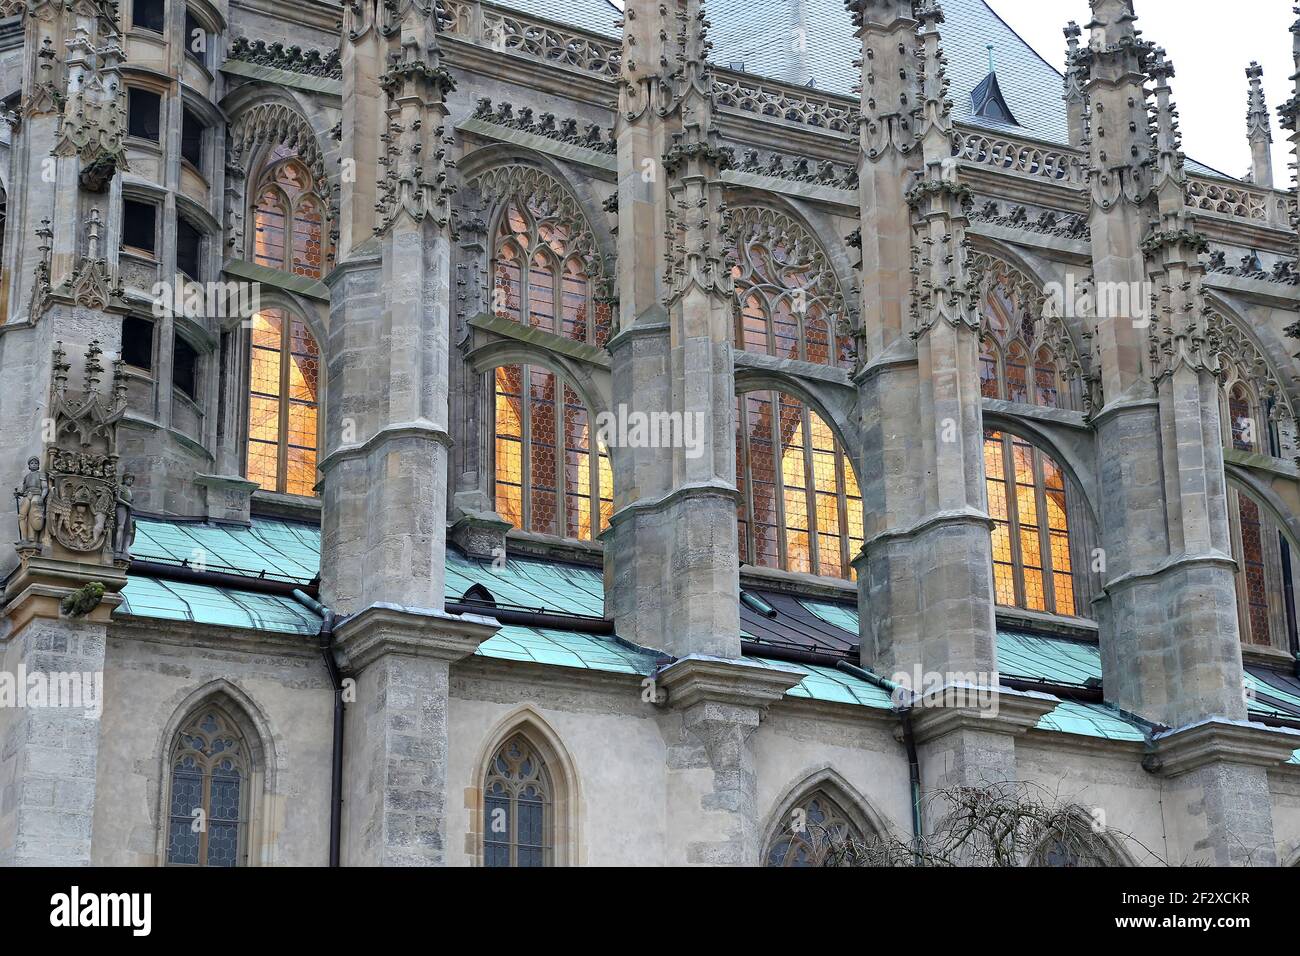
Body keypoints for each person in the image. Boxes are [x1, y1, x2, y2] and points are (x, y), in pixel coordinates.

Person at [15, 456, 47, 544]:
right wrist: (19, 493)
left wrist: (42, 497)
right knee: (21, 516)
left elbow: (45, 488)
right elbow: (24, 490)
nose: (34, 465)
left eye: (36, 463)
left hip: (36, 495)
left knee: (33, 515)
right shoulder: (26, 477)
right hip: (27, 495)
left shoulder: (41, 474)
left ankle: (32, 538)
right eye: (32, 463)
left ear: (38, 465)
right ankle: (24, 539)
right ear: (29, 465)